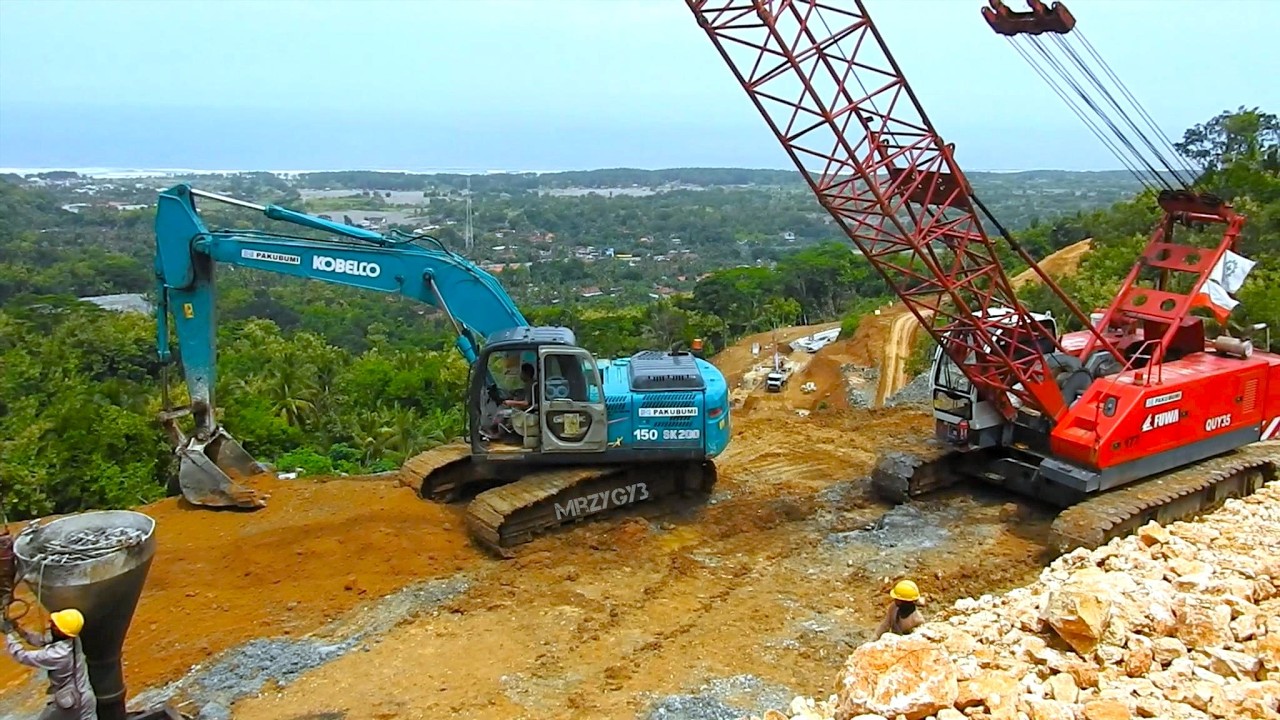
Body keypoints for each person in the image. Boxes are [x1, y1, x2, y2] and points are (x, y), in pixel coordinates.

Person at [5, 608, 97, 720]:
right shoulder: (73, 638)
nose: (50, 623)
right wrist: (18, 629)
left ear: (61, 631)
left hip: (71, 701)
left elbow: (21, 655)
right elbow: (41, 640)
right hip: (86, 697)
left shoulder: (57, 655)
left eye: (54, 625)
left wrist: (9, 634)